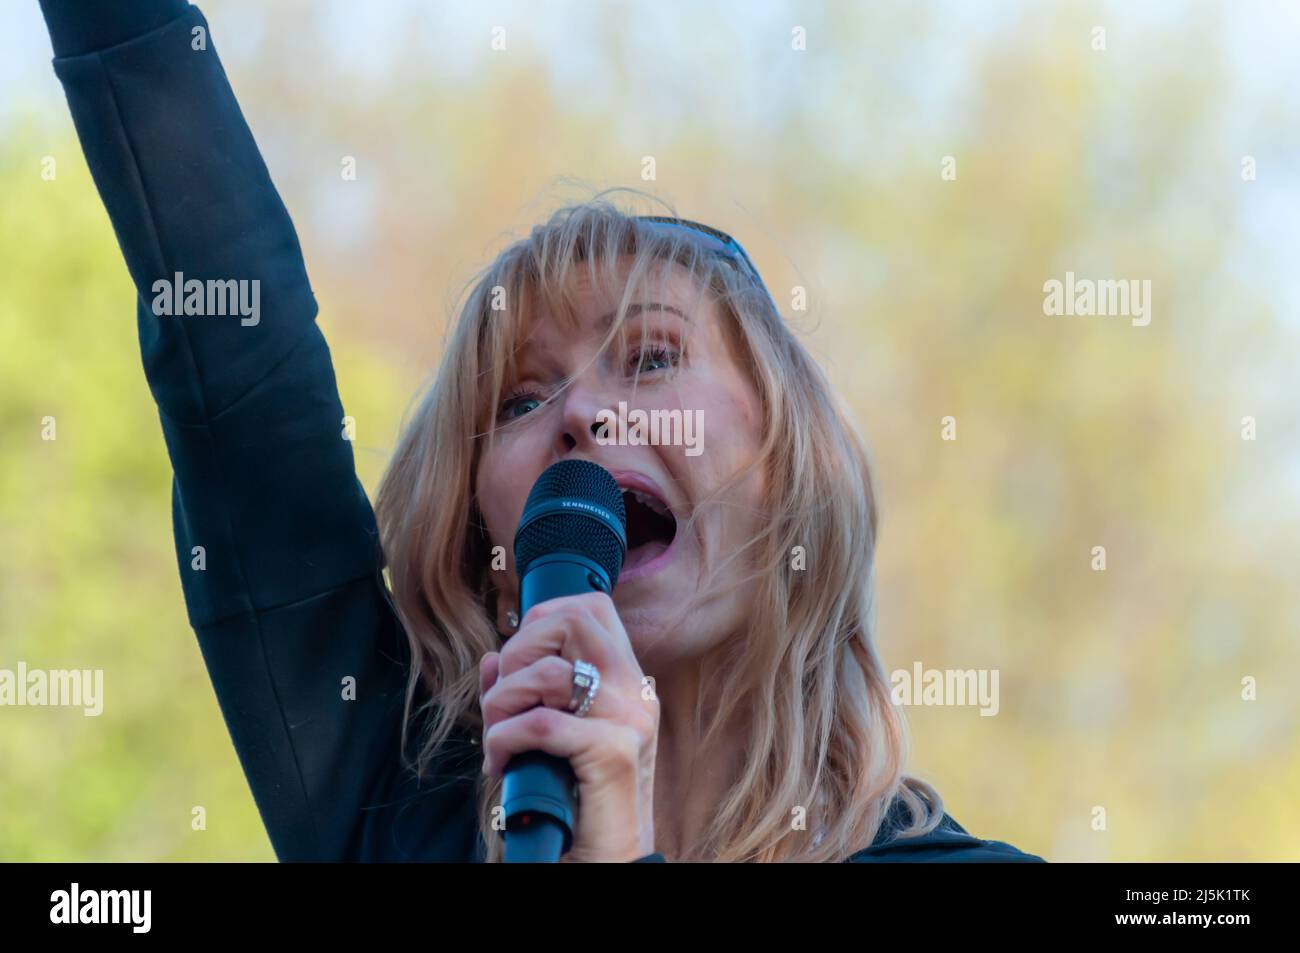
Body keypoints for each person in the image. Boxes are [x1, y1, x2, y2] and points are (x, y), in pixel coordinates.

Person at [39, 0, 1044, 863]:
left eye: (651, 357)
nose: (580, 412)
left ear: (790, 468)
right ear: (491, 552)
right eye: (518, 400)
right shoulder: (395, 818)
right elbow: (245, 376)